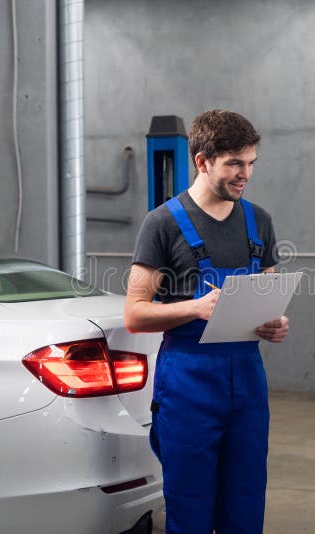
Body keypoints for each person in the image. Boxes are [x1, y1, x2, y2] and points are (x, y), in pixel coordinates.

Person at [124, 109, 289, 533]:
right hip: (188, 383)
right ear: (202, 161)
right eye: (235, 163)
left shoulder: (259, 222)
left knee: (246, 501)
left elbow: (267, 300)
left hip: (248, 382)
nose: (245, 174)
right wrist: (192, 308)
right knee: (190, 505)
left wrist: (274, 325)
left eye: (251, 163)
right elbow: (135, 313)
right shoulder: (162, 224)